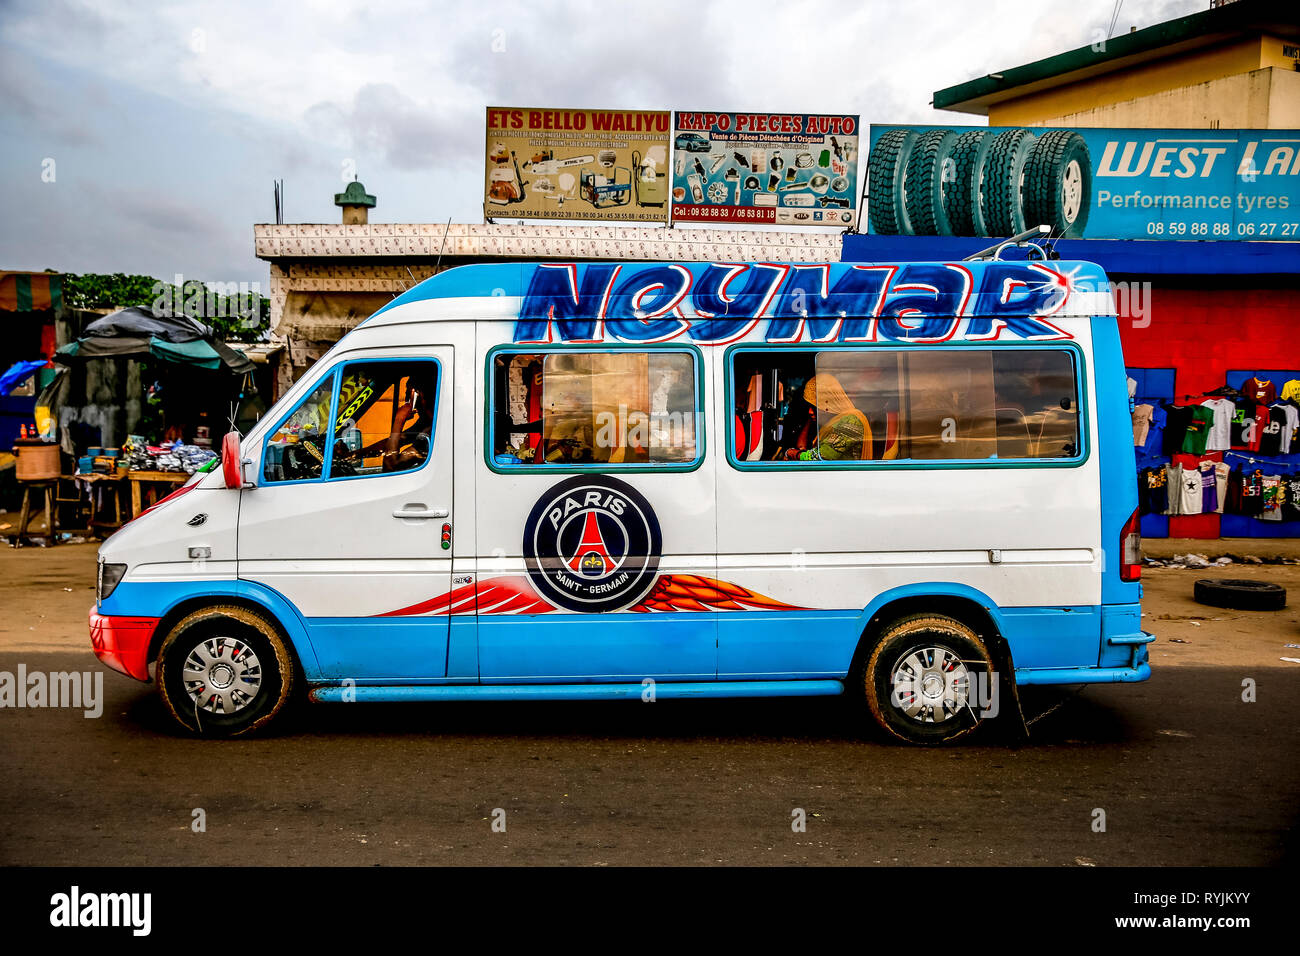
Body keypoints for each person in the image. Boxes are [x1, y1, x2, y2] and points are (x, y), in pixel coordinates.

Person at [785, 372, 873, 461]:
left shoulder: (851, 420)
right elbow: (801, 447)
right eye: (809, 406)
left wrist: (792, 453)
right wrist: (810, 420)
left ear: (828, 403)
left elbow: (821, 457)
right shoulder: (828, 422)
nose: (810, 412)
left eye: (815, 406)